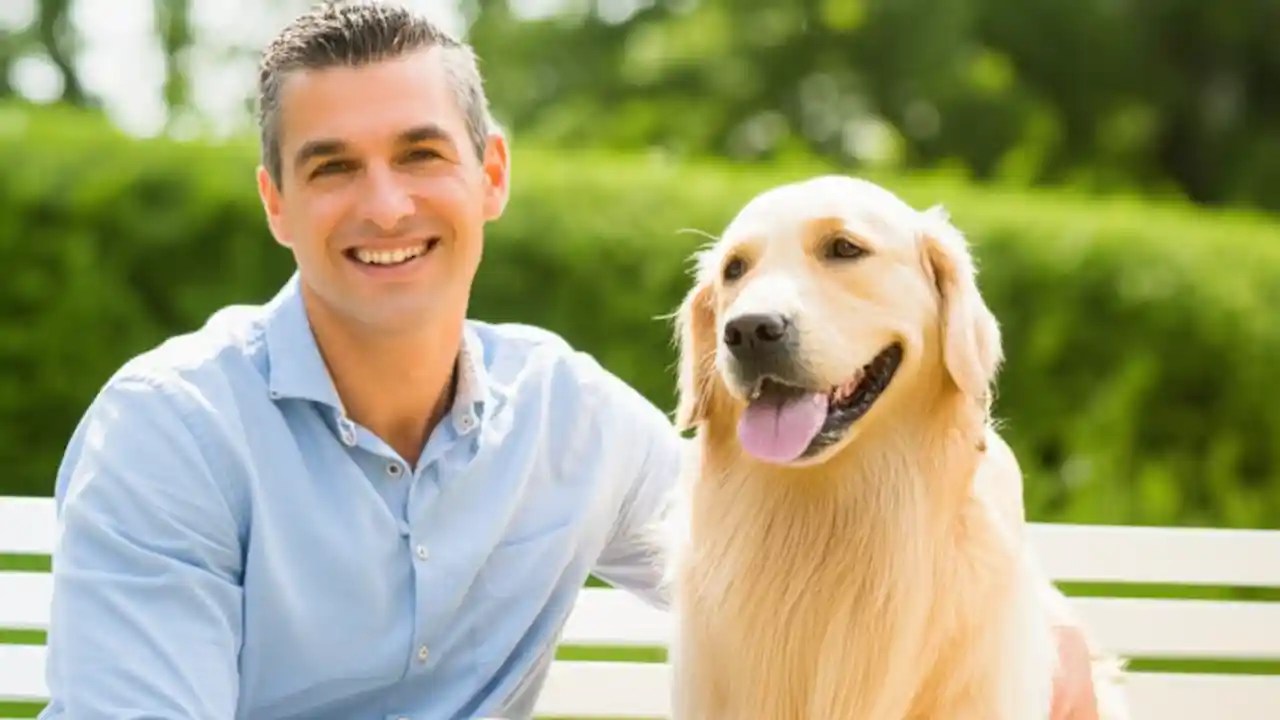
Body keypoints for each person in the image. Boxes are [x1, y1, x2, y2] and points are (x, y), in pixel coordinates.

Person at [38, 2, 1102, 719]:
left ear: (490, 174)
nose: (385, 205)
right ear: (275, 204)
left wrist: (1035, 631)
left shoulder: (568, 418)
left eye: (421, 154)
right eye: (331, 169)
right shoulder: (169, 434)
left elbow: (762, 544)